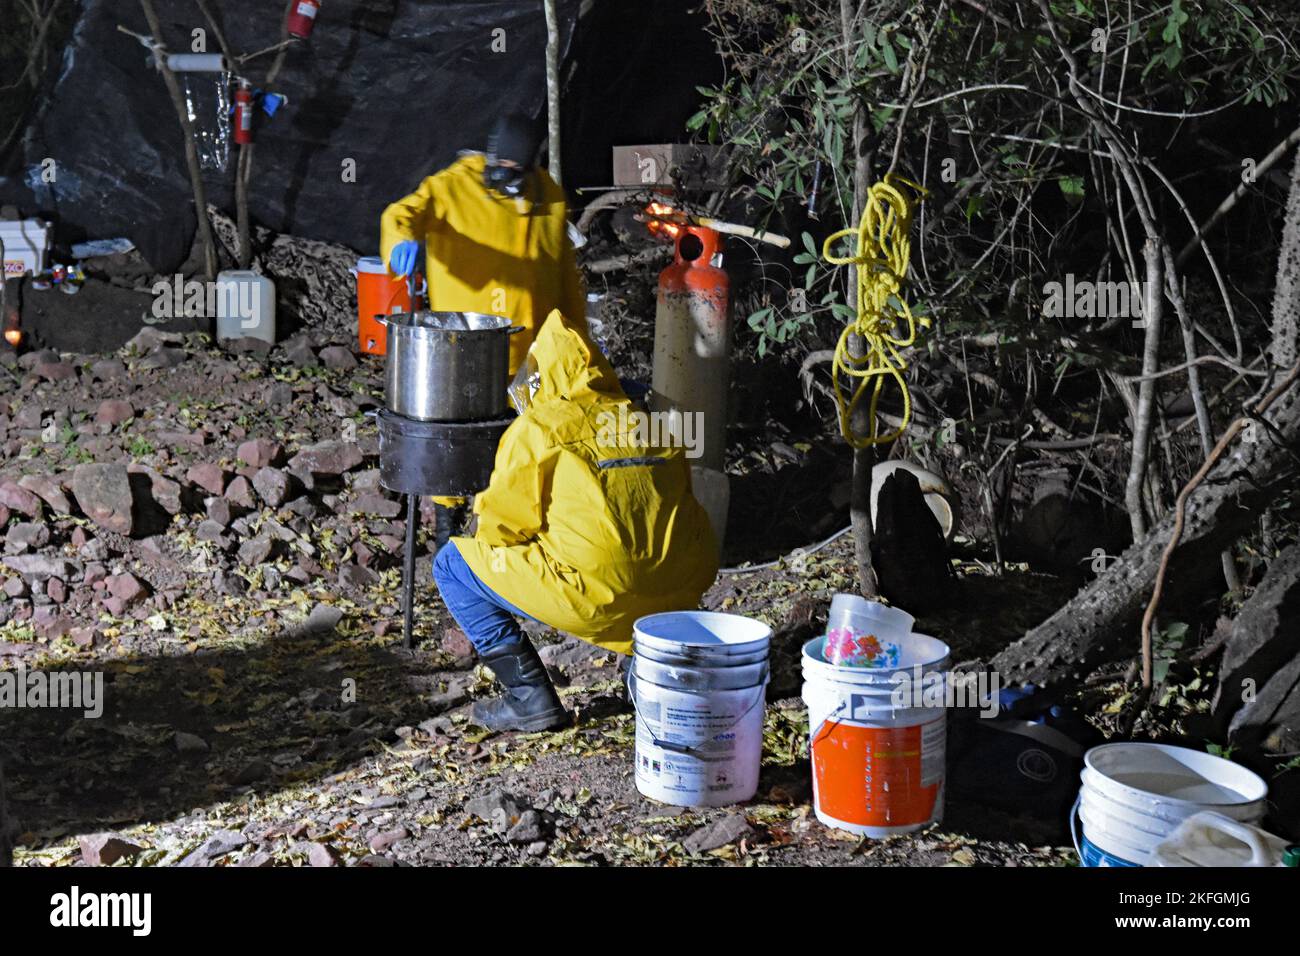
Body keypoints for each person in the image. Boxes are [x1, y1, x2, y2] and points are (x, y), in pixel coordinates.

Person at [433, 310, 719, 732]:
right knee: (637, 556)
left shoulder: (539, 428)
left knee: (452, 566)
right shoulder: (648, 422)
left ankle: (528, 697)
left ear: (542, 376)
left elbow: (499, 528)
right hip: (681, 591)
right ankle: (649, 677)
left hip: (599, 596)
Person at [379, 111, 587, 377]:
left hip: (538, 352)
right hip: (469, 348)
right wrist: (400, 241)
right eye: (501, 163)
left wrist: (580, 339)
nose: (506, 175)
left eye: (516, 168)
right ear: (490, 156)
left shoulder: (548, 195)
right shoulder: (453, 187)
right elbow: (402, 214)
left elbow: (565, 276)